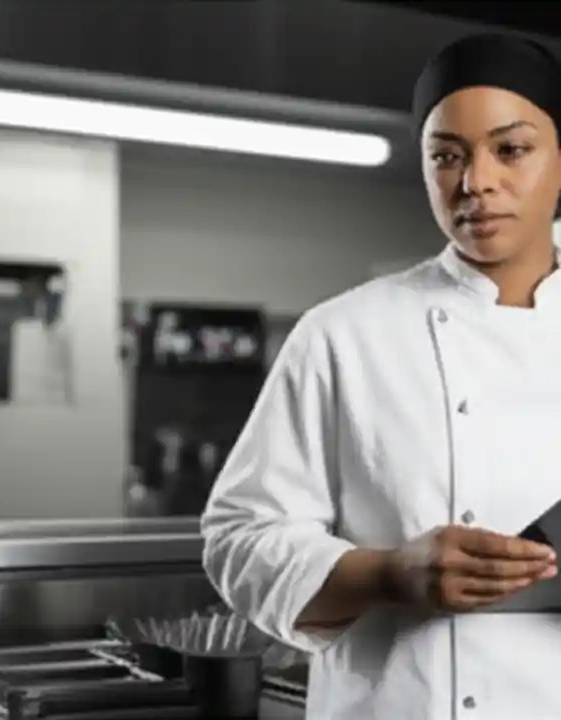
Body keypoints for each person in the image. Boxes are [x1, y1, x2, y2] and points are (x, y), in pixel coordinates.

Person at [201, 34, 561, 717]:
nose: (475, 181)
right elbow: (240, 541)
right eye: (446, 156)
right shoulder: (343, 335)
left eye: (510, 149)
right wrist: (390, 574)